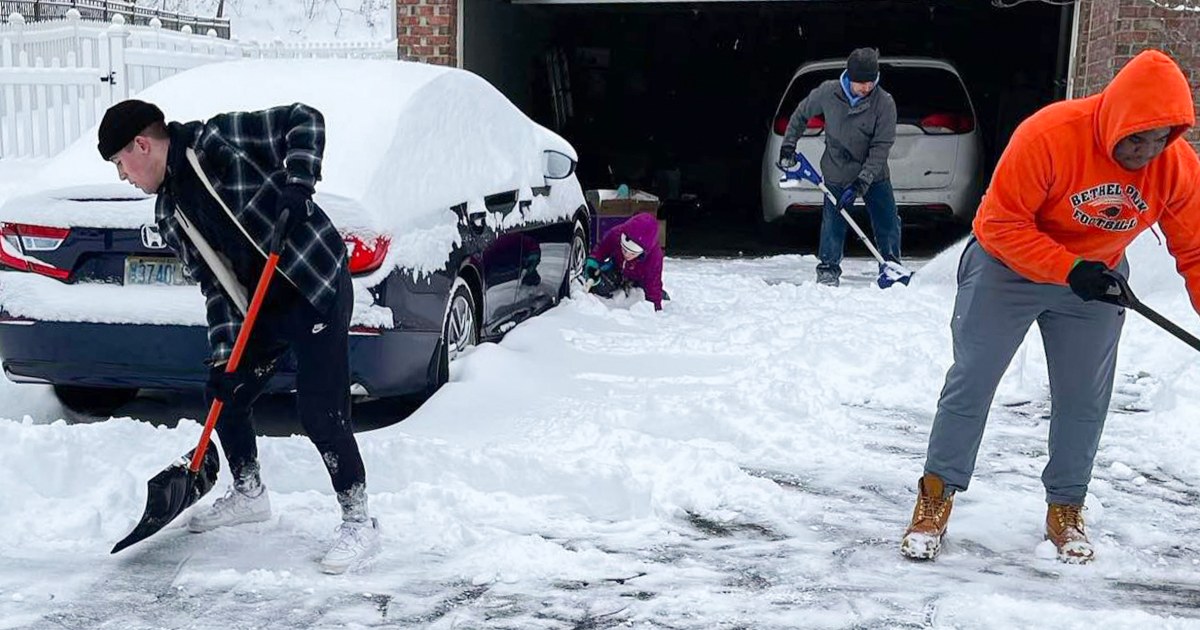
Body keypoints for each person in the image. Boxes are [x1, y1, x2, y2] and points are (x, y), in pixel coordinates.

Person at [901, 49, 1200, 564]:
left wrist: (1087, 274)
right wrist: (1067, 268)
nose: (1145, 152)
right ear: (1115, 119)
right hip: (1006, 269)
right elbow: (997, 224)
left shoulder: (1174, 166)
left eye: (1160, 140)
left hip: (1095, 281)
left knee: (1085, 396)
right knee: (973, 378)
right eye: (1137, 138)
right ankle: (935, 494)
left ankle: (1066, 506)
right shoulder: (1050, 135)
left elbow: (1195, 249)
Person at [97, 99, 380, 574]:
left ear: (141, 145)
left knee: (320, 409)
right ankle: (249, 492)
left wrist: (299, 183)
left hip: (314, 285)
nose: (123, 176)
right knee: (224, 392)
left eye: (120, 164)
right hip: (262, 307)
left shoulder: (216, 140)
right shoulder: (169, 212)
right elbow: (216, 286)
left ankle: (358, 520)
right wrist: (226, 356)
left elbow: (305, 119)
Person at [778, 47, 901, 288]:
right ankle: (828, 270)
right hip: (836, 170)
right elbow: (801, 114)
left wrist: (860, 183)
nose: (866, 88)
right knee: (833, 223)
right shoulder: (828, 92)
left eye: (871, 82)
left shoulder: (884, 102)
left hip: (873, 175)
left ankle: (891, 266)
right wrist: (788, 145)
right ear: (849, 76)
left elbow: (881, 147)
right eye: (861, 83)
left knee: (887, 222)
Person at [582, 212, 665, 311]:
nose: (627, 255)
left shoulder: (654, 257)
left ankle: (658, 293)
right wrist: (592, 264)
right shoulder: (616, 233)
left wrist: (655, 306)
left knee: (648, 290)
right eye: (624, 249)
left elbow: (653, 281)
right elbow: (601, 250)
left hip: (640, 278)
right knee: (601, 286)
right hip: (617, 269)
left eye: (632, 253)